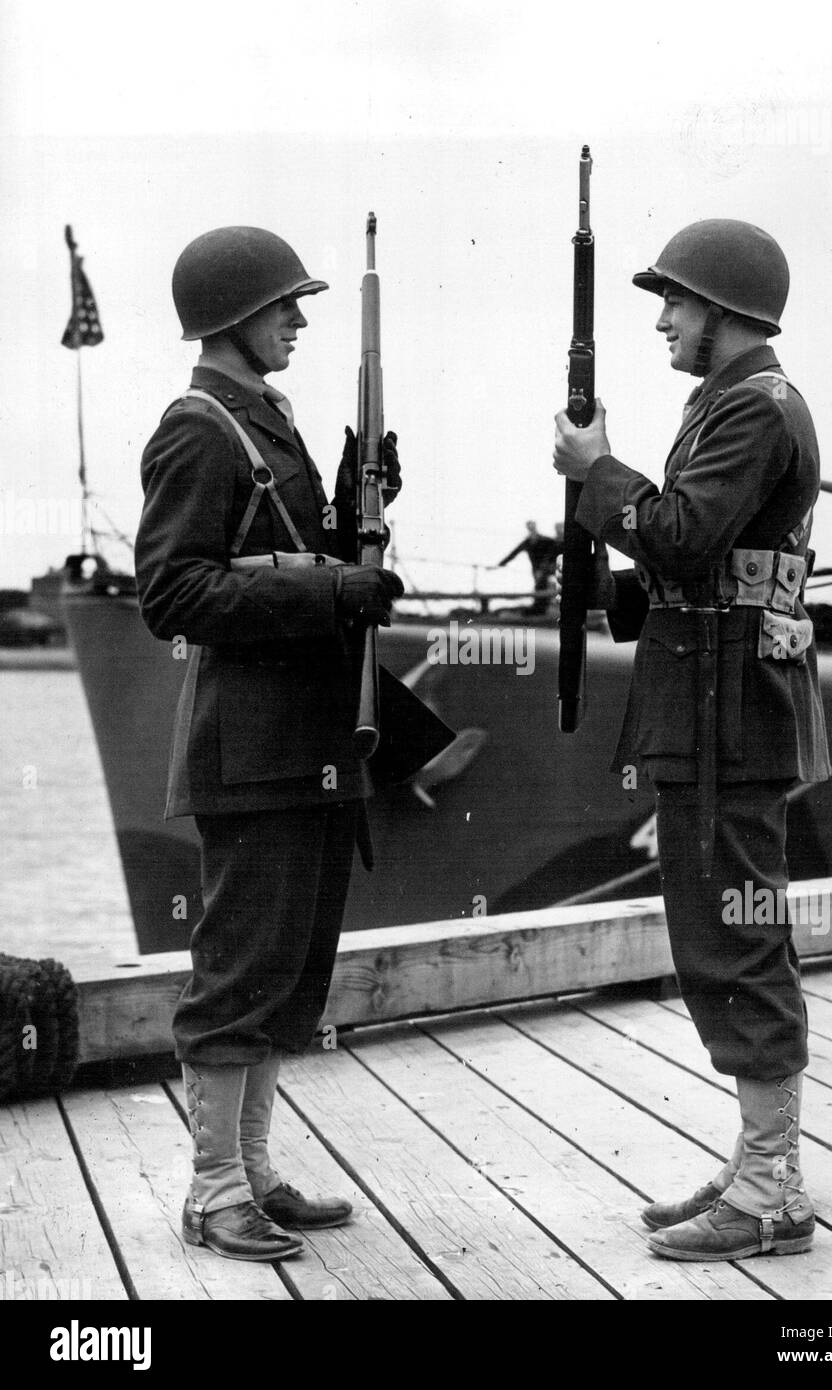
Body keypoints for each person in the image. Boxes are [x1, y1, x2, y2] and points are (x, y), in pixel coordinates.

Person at [136, 226, 449, 1262]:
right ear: (231, 315)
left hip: (309, 741)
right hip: (254, 746)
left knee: (288, 967)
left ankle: (253, 1169)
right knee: (239, 967)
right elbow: (172, 593)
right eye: (283, 307)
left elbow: (296, 560)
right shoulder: (199, 429)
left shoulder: (265, 422)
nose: (298, 323)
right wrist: (333, 589)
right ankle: (214, 1188)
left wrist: (362, 510)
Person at [553, 219, 830, 1261]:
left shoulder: (750, 407)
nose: (663, 318)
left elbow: (681, 533)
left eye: (674, 299)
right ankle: (763, 1161)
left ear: (723, 308)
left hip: (726, 715)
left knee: (735, 938)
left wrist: (597, 473)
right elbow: (699, 562)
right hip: (713, 705)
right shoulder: (727, 401)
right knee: (725, 930)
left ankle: (769, 1189)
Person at [496, 520, 563, 614]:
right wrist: (500, 564)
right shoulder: (527, 542)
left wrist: (548, 565)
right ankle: (540, 609)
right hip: (537, 569)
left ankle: (542, 609)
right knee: (540, 587)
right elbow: (513, 554)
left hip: (546, 568)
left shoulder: (545, 540)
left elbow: (556, 548)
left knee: (543, 585)